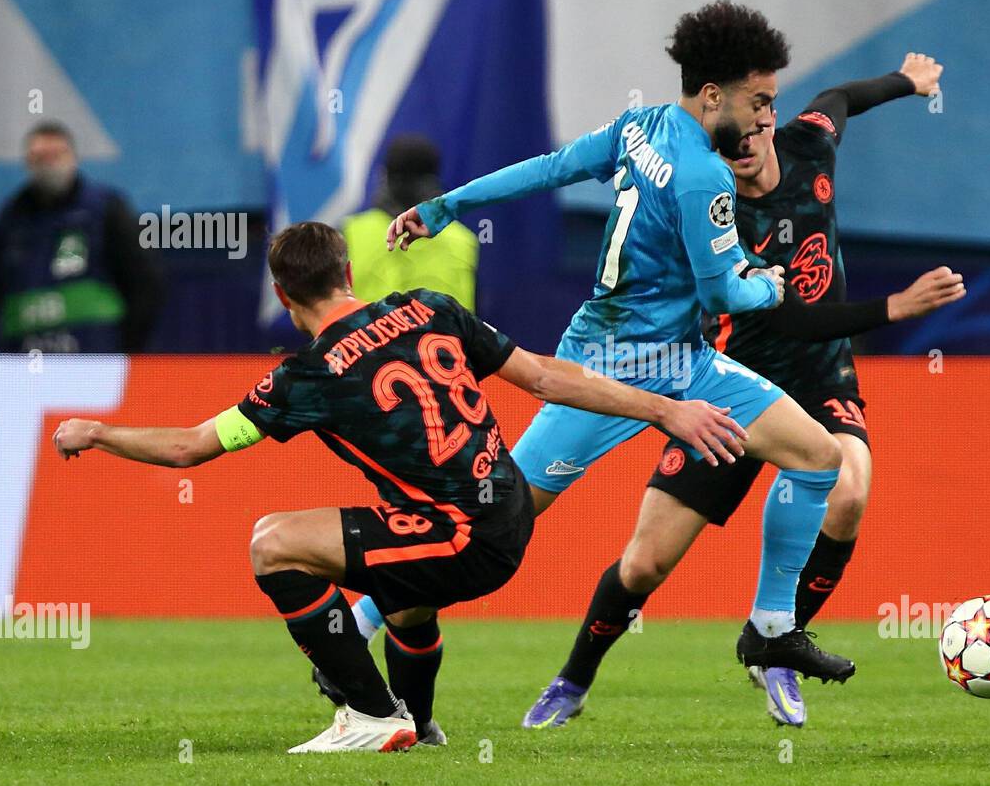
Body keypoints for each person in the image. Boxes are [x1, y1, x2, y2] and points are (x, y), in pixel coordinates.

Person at [50, 222, 747, 754]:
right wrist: (662, 406)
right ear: (349, 272)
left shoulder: (307, 376)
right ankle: (418, 724)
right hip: (508, 507)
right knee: (403, 596)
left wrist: (99, 433)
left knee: (273, 544)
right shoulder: (430, 308)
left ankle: (370, 714)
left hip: (461, 536)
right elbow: (542, 375)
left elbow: (187, 448)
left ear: (281, 294)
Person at [380, 0, 858, 690]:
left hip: (683, 363)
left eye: (772, 103)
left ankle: (773, 631)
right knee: (493, 526)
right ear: (715, 94)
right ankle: (369, 613)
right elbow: (725, 293)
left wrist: (446, 204)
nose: (765, 120)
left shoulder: (642, 129)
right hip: (611, 369)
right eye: (758, 102)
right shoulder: (704, 176)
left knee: (818, 457)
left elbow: (550, 168)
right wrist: (771, 285)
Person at [522, 53, 966, 728]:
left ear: (768, 124)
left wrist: (908, 83)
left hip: (820, 379)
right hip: (729, 387)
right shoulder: (716, 213)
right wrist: (893, 310)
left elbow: (842, 96)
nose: (746, 153)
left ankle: (775, 642)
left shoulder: (811, 143)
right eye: (731, 153)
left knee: (848, 486)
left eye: (758, 133)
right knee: (644, 564)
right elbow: (781, 315)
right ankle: (573, 679)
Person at [0, 121, 162, 353]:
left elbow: (145, 283)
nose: (49, 165)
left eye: (56, 155)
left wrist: (125, 352)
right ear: (27, 163)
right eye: (40, 157)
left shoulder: (104, 209)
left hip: (93, 362)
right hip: (25, 366)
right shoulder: (11, 219)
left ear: (73, 158)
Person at [341, 135, 478, 310]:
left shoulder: (350, 232)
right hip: (446, 337)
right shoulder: (465, 240)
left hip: (370, 336)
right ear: (434, 179)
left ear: (385, 177)